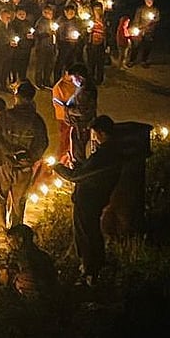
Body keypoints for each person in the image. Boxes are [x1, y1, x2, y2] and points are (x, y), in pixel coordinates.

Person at [53, 114, 122, 286]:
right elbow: (88, 170)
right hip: (97, 198)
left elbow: (78, 176)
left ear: (102, 133)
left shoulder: (103, 154)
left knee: (86, 234)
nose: (94, 137)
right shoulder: (112, 151)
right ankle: (95, 265)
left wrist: (59, 168)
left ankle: (90, 270)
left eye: (95, 134)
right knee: (91, 231)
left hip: (89, 200)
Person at [0, 79, 49, 227]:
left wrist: (8, 153)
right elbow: (42, 143)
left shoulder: (4, 116)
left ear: (18, 97)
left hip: (4, 164)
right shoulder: (37, 121)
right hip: (24, 168)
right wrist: (29, 158)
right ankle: (16, 232)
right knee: (19, 201)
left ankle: (2, 229)